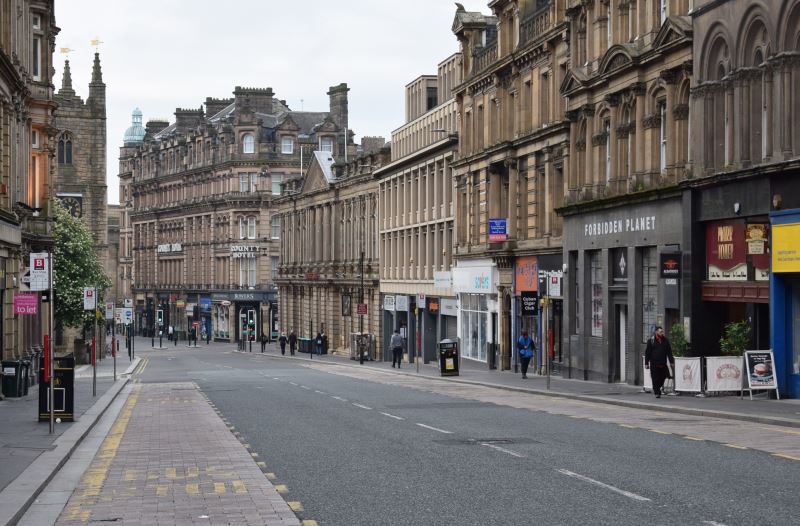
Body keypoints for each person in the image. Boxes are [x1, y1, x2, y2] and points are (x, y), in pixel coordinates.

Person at [645, 326, 674, 399]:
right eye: (660, 332)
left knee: (663, 377)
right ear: (656, 332)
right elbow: (647, 353)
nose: (662, 333)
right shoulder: (651, 341)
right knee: (655, 378)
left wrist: (671, 362)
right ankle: (657, 392)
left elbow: (669, 352)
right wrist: (646, 363)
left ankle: (658, 387)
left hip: (663, 363)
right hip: (654, 364)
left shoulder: (665, 340)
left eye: (662, 332)